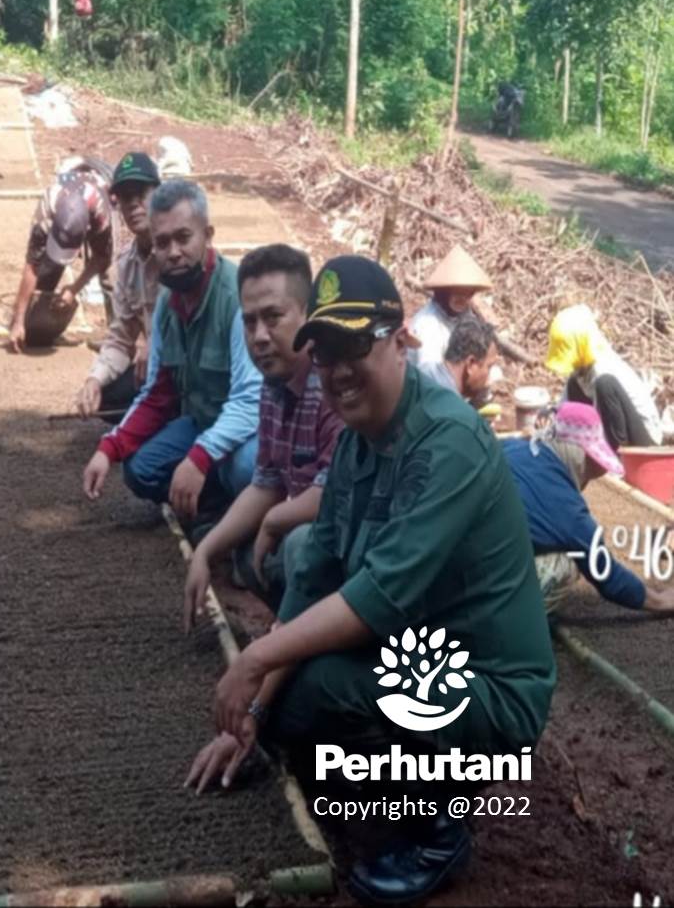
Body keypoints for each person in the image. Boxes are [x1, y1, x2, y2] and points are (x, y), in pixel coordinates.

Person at [186, 255, 554, 907]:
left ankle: (437, 827)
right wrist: (253, 715)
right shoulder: (359, 442)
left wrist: (257, 660)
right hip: (420, 654)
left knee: (322, 682)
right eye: (324, 351)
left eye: (355, 344)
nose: (337, 369)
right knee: (290, 711)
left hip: (489, 687)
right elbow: (311, 581)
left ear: (400, 339)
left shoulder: (449, 442)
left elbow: (376, 596)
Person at [81, 179, 261, 522]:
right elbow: (157, 393)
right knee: (140, 469)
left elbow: (251, 401)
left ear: (207, 235)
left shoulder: (236, 299)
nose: (173, 251)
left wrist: (199, 457)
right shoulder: (167, 304)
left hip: (251, 429)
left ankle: (240, 520)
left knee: (245, 468)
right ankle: (213, 509)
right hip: (202, 422)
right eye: (162, 242)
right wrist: (108, 448)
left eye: (183, 237)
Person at [183, 244, 344, 623]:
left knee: (298, 547)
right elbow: (267, 483)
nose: (258, 336)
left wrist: (272, 522)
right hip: (312, 528)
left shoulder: (334, 386)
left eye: (273, 317)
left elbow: (333, 496)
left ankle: (300, 640)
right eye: (249, 320)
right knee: (245, 551)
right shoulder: (274, 384)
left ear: (308, 315)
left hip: (350, 536)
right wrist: (206, 551)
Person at [505, 401, 674, 614]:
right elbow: (606, 573)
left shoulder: (513, 447)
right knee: (565, 565)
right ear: (577, 455)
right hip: (478, 585)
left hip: (459, 558)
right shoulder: (567, 508)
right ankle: (518, 621)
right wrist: (660, 600)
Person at [75, 151, 161, 419]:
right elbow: (121, 338)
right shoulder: (127, 263)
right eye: (126, 198)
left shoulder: (180, 251)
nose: (134, 205)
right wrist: (94, 380)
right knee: (107, 398)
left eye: (141, 194)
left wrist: (158, 343)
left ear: (159, 195)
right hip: (156, 369)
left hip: (192, 366)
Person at [8, 158, 114, 352]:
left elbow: (102, 257)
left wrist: (74, 288)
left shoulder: (102, 212)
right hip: (72, 192)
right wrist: (18, 319)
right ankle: (35, 324)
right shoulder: (47, 208)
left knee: (111, 275)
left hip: (103, 186)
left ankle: (118, 337)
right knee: (47, 268)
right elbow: (32, 264)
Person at [546, 303, 664, 449]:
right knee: (573, 384)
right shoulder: (581, 369)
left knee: (605, 385)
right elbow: (563, 410)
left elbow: (599, 418)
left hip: (643, 439)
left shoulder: (603, 368)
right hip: (609, 428)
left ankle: (616, 457)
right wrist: (549, 425)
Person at [408, 245, 496, 376]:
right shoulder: (428, 324)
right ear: (444, 292)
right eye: (457, 292)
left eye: (466, 293)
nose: (462, 298)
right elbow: (430, 376)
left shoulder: (466, 316)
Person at [423, 314, 497, 404]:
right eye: (489, 367)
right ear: (471, 364)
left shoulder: (423, 370)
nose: (489, 381)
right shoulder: (452, 409)